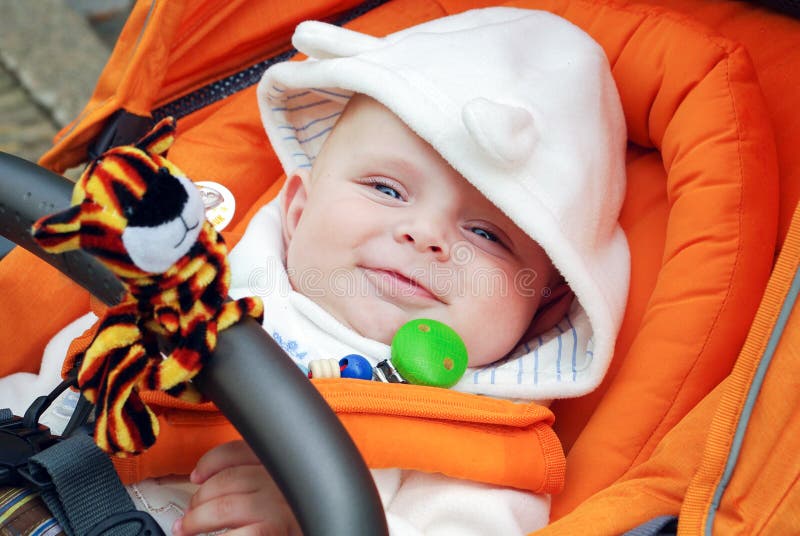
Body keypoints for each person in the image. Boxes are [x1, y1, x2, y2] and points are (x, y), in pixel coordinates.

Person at [0, 7, 627, 536]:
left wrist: (318, 516)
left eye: (487, 233)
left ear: (545, 306)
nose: (426, 234)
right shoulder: (194, 283)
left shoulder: (489, 455)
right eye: (387, 188)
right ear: (297, 210)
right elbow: (57, 378)